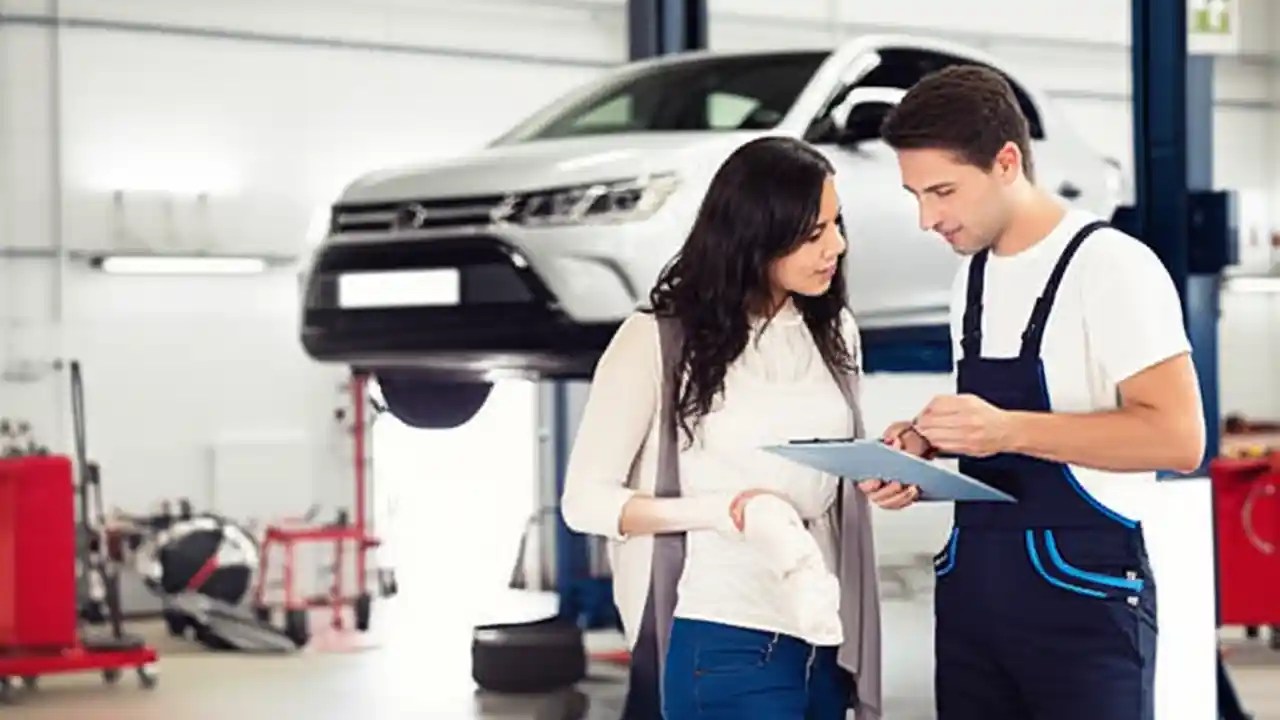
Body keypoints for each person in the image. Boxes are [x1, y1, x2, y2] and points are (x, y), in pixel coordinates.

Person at [867, 65, 1207, 720]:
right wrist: (924, 445)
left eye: (942, 191)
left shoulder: (1110, 265)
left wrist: (1009, 430)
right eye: (915, 195)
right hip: (974, 598)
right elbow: (990, 425)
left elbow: (1178, 437)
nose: (926, 218)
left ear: (1006, 161)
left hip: (1082, 599)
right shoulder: (971, 277)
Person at [560, 135, 883, 719]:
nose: (835, 246)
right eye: (813, 234)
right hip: (723, 628)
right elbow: (583, 502)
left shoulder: (835, 332)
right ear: (755, 236)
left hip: (824, 633)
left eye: (837, 225)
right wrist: (726, 510)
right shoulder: (656, 340)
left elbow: (825, 471)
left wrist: (883, 473)